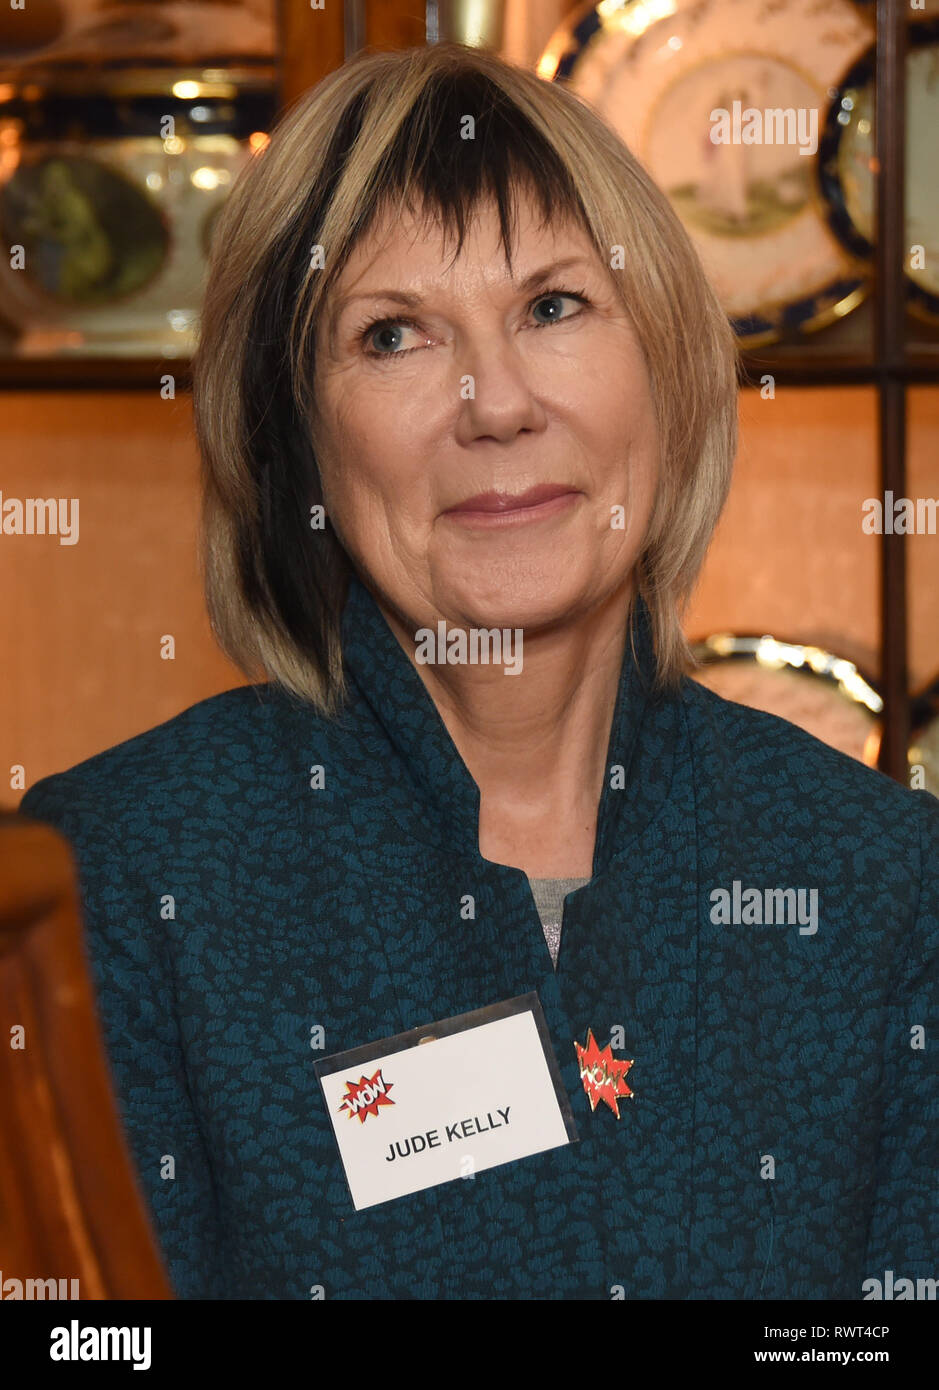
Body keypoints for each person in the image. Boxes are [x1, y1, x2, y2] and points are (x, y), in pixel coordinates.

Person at [19, 40, 938, 1300]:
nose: (494, 402)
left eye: (554, 308)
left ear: (665, 369)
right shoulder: (122, 871)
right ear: (295, 438)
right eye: (392, 334)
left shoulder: (882, 881)